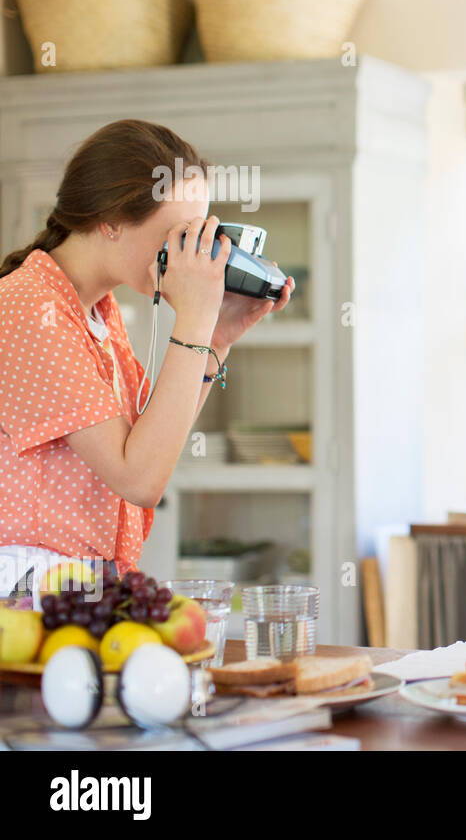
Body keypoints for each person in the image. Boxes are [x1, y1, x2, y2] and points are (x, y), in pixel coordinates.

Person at [0, 119, 295, 603]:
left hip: (79, 591)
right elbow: (139, 479)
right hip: (28, 596)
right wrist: (195, 319)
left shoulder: (96, 310)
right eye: (179, 233)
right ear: (111, 220)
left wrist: (217, 337)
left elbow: (150, 445)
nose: (189, 252)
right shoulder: (33, 308)